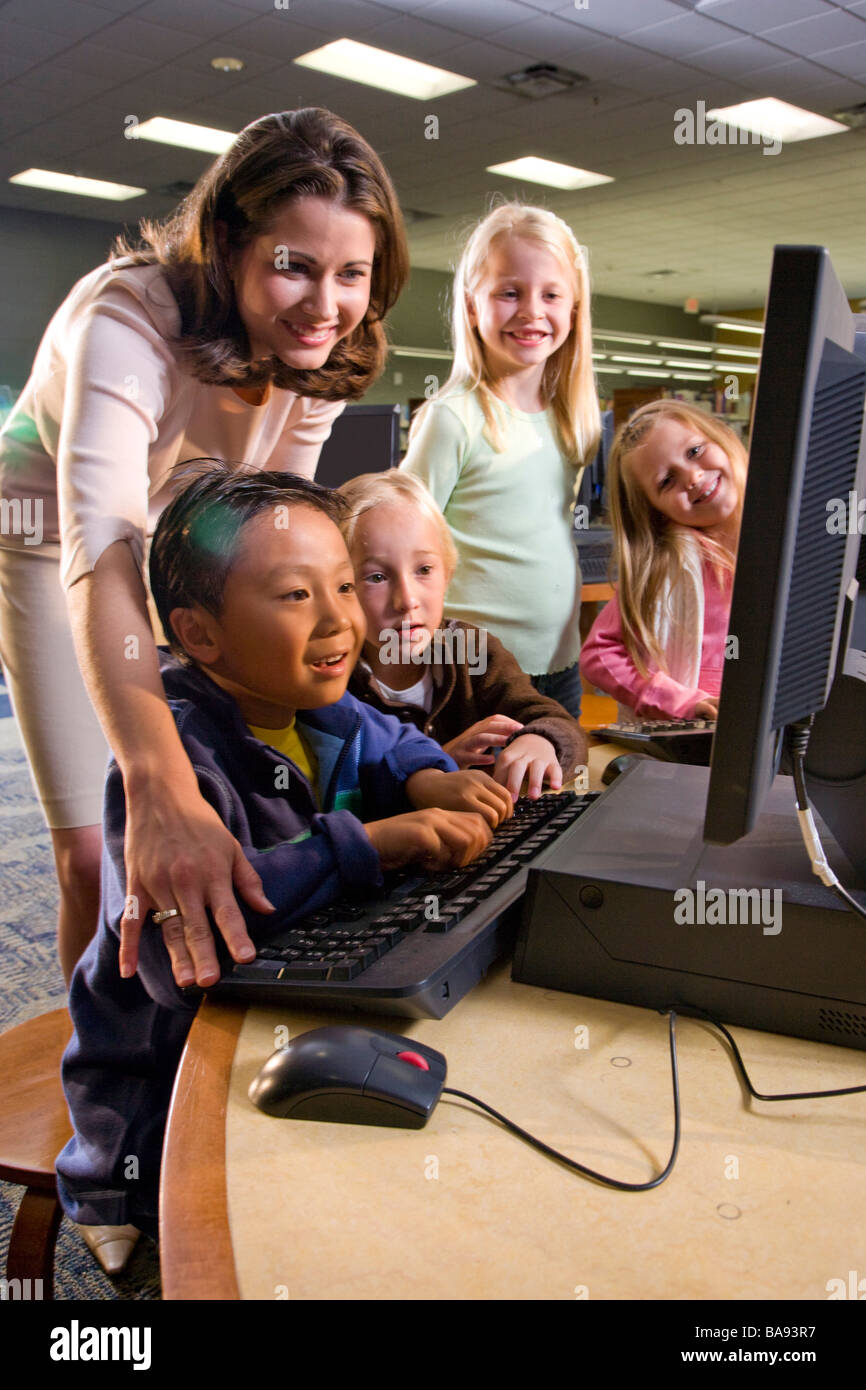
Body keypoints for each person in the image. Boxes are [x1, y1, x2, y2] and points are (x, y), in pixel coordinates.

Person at [57, 465, 512, 1271]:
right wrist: (369, 844)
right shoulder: (181, 759)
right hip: (160, 1044)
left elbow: (386, 733)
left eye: (344, 585)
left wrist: (427, 774)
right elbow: (187, 961)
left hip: (282, 988)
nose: (341, 619)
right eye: (298, 596)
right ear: (200, 636)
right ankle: (101, 1194)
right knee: (149, 1163)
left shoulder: (321, 705)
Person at [0, 107, 410, 985]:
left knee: (219, 780)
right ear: (226, 246)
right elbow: (103, 546)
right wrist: (155, 781)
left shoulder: (323, 348)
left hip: (179, 531)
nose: (325, 305)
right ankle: (99, 1064)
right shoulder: (128, 318)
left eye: (352, 274)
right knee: (92, 852)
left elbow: (269, 536)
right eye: (293, 266)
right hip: (48, 541)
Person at [399, 202, 600, 721]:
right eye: (509, 292)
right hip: (477, 671)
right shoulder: (454, 419)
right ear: (472, 306)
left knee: (559, 797)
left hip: (560, 662)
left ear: (574, 310)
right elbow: (400, 541)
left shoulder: (570, 420)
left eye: (551, 295)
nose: (532, 311)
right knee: (489, 800)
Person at [339, 470, 588, 798]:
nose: (407, 600)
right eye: (377, 577)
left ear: (447, 574)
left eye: (424, 570)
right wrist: (436, 768)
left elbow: (557, 723)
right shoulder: (335, 678)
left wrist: (540, 740)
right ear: (341, 587)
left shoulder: (472, 650)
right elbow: (339, 799)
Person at [580, 400, 747, 720]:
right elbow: (599, 654)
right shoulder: (666, 566)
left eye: (695, 451)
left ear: (721, 438)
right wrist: (674, 700)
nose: (694, 477)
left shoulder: (782, 537)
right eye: (666, 481)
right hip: (699, 737)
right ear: (656, 510)